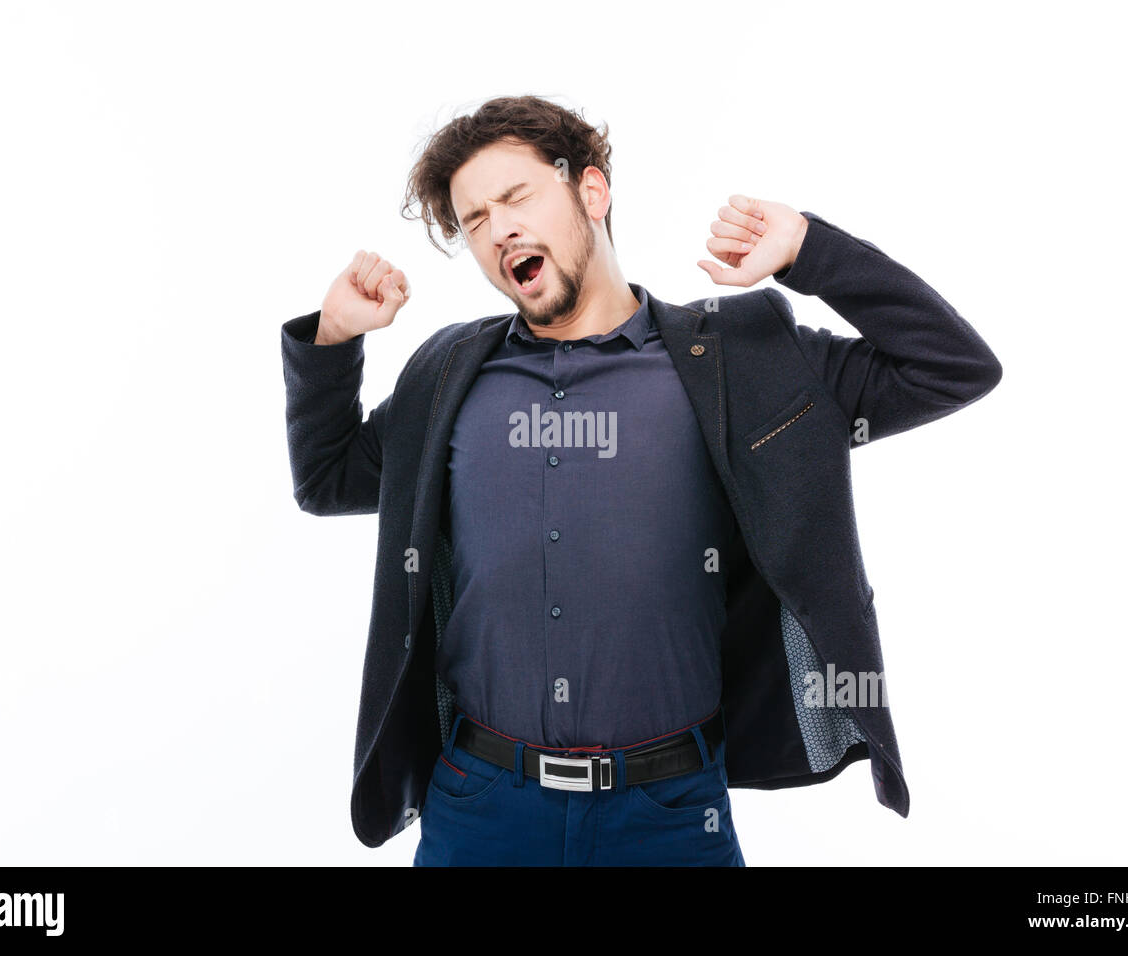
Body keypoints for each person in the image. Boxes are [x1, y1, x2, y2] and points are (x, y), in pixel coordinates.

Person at [280, 95, 1002, 866]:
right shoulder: (448, 376)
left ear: (591, 192)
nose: (499, 230)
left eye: (516, 197)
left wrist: (808, 251)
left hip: (670, 816)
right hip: (481, 809)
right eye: (476, 220)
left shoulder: (741, 362)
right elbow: (326, 478)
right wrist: (334, 338)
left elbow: (952, 367)